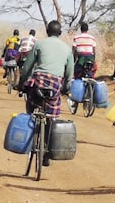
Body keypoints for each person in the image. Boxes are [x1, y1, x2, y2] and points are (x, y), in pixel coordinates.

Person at [18, 19, 74, 166]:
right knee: (52, 116)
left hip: (38, 82)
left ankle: (31, 127)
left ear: (47, 31)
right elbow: (69, 73)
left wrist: (21, 83)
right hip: (55, 85)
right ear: (60, 33)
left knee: (31, 104)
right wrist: (65, 88)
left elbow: (27, 67)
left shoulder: (39, 44)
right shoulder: (67, 49)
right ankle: (47, 152)